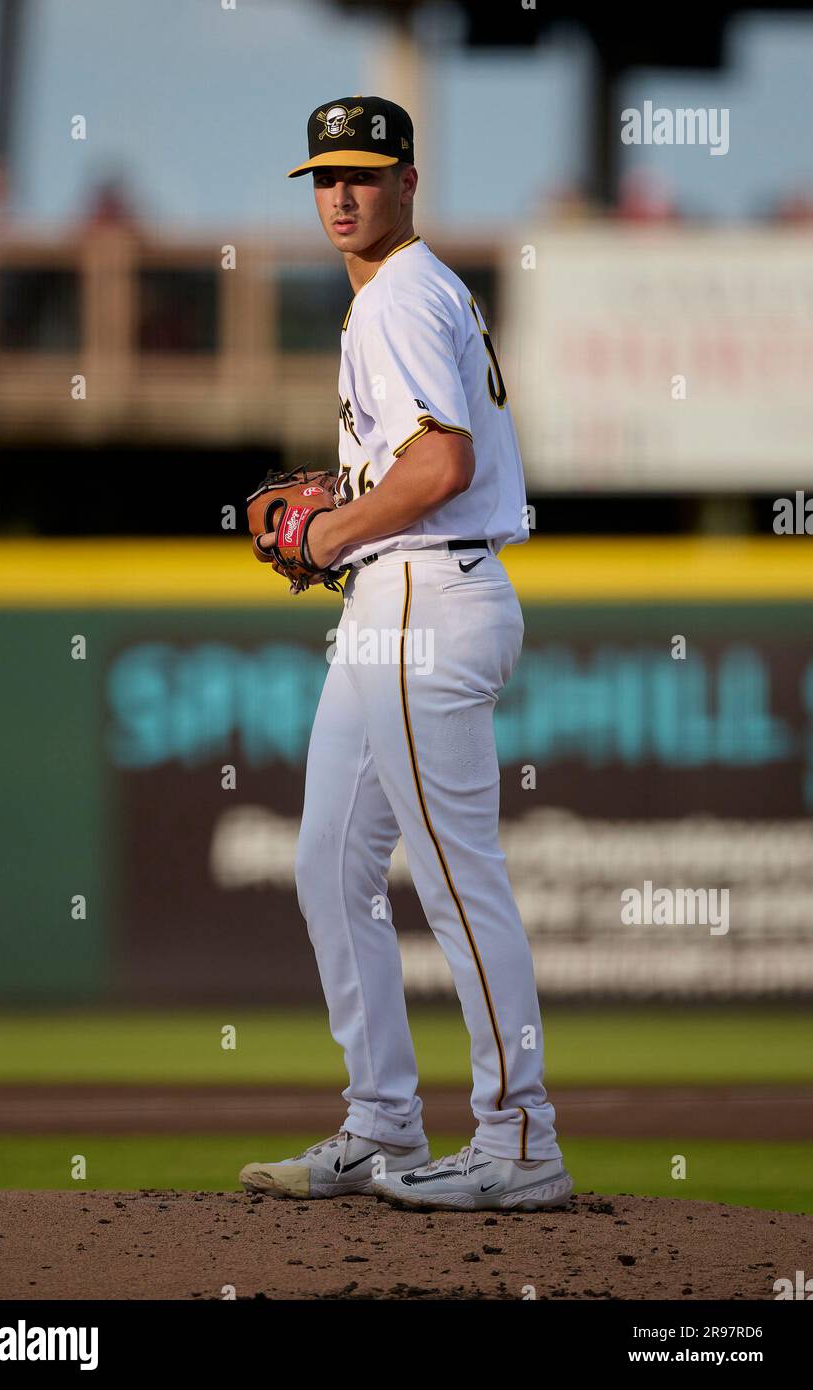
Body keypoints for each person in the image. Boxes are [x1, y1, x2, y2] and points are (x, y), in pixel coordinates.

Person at [240, 96, 573, 1212]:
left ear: (407, 181)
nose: (341, 193)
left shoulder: (394, 298)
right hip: (401, 596)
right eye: (324, 175)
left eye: (363, 174)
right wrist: (346, 506)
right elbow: (418, 459)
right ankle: (381, 1123)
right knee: (331, 863)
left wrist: (326, 530)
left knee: (453, 877)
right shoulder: (411, 293)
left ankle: (518, 1135)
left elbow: (438, 466)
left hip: (428, 595)